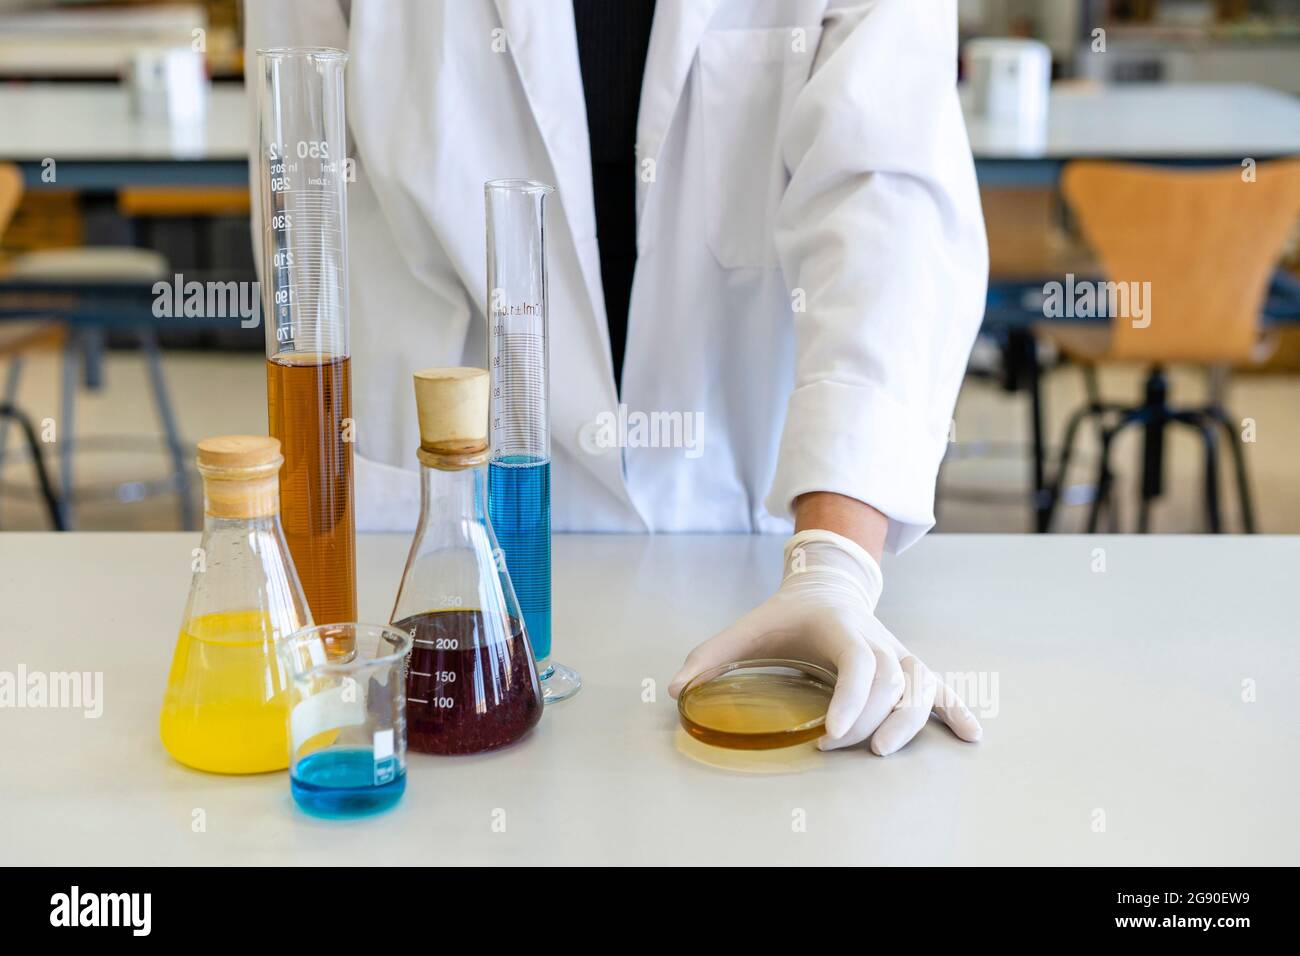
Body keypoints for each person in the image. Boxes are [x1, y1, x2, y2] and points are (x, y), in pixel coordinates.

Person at [245, 0, 988, 755]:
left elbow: (888, 204)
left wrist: (834, 559)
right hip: (429, 546)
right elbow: (303, 188)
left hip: (736, 534)